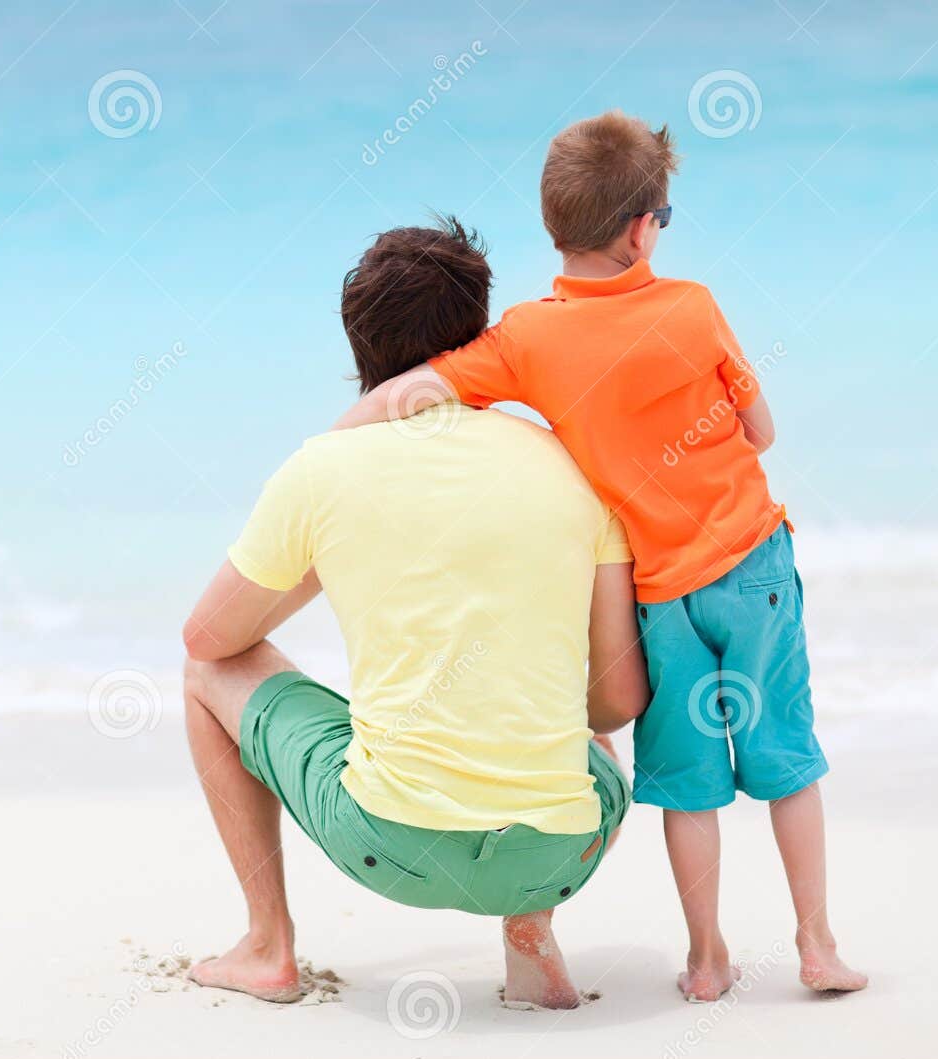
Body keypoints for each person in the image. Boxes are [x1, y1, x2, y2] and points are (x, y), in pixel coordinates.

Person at [334, 111, 866, 1001]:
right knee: (787, 761)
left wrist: (333, 444)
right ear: (642, 225)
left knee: (690, 785)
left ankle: (705, 959)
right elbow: (762, 432)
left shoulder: (527, 340)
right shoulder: (693, 307)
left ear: (554, 228)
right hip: (754, 568)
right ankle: (816, 943)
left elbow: (418, 388)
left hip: (660, 596)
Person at [181, 217, 648, 1010]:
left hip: (390, 845)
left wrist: (335, 556)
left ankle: (267, 946)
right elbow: (617, 700)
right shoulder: (566, 461)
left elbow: (211, 637)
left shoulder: (324, 467)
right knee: (573, 719)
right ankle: (530, 940)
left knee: (202, 674)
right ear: (476, 335)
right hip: (565, 850)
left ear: (357, 344)